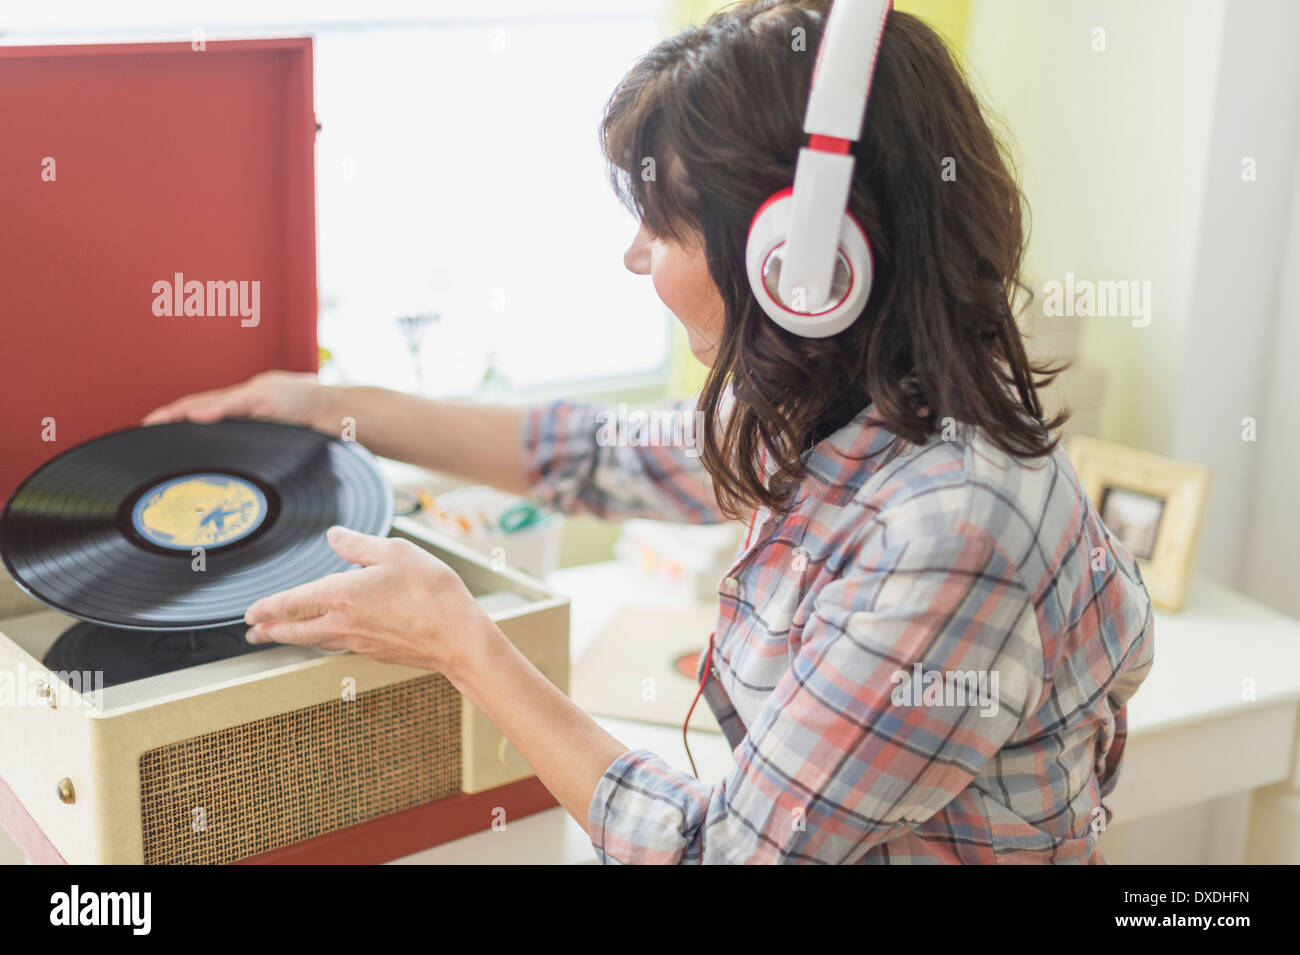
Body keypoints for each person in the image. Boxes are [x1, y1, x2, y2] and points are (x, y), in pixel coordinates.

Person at [145, 0, 1155, 864]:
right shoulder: (858, 403)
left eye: (664, 228)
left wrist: (462, 642)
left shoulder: (947, 534)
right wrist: (330, 405)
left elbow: (719, 857)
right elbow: (606, 453)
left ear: (800, 268)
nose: (637, 258)